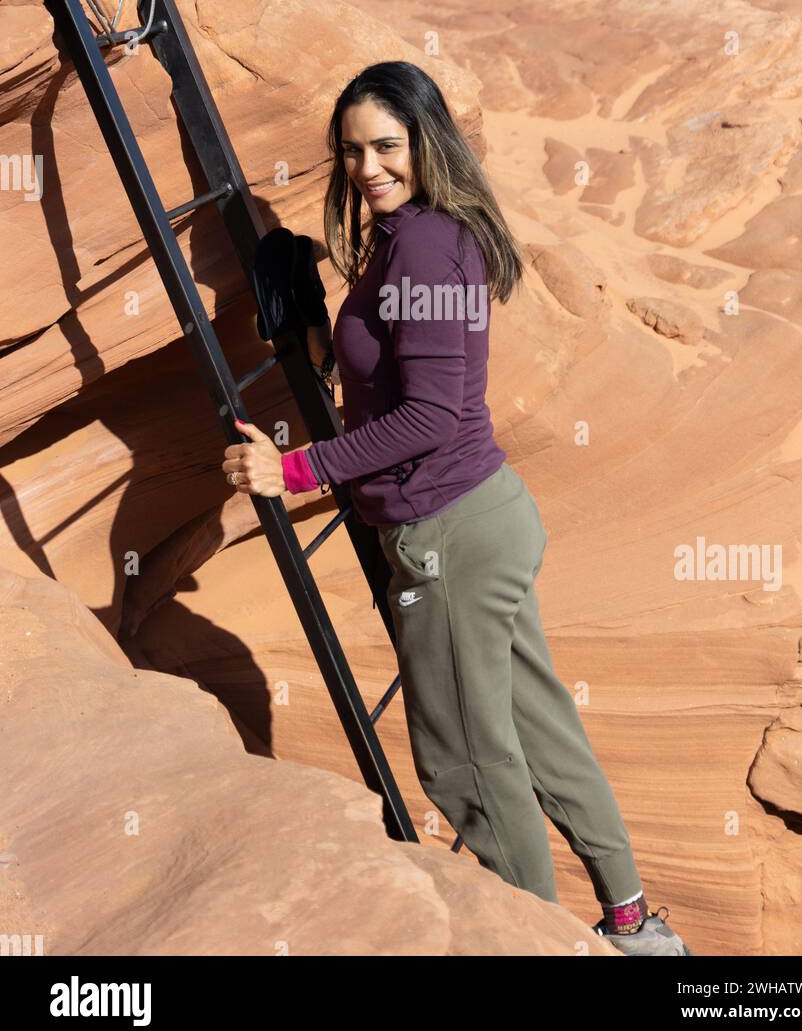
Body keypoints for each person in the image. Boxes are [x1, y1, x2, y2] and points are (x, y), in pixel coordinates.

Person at [222, 60, 691, 956]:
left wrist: (298, 469)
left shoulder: (426, 246)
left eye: (386, 146)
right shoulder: (412, 236)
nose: (367, 167)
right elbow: (406, 372)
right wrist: (327, 339)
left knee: (465, 762)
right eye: (352, 151)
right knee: (536, 728)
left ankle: (534, 945)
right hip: (480, 520)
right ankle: (632, 926)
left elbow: (432, 415)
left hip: (447, 535)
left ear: (426, 141)